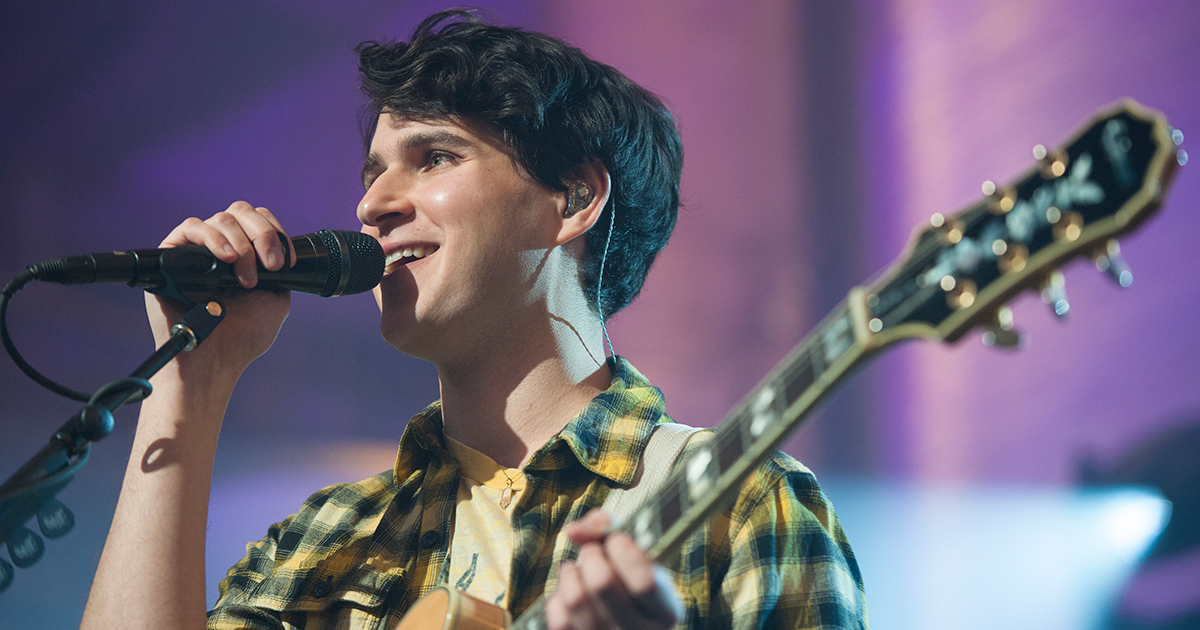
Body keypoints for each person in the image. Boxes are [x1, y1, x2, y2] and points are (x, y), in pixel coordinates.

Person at [80, 9, 867, 630]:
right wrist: (187, 384)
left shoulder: (739, 504)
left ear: (573, 199)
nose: (372, 205)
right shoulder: (324, 537)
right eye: (374, 171)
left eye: (436, 158)